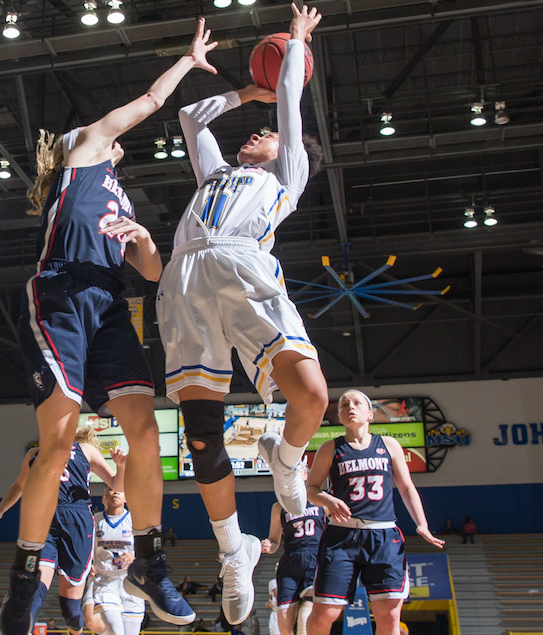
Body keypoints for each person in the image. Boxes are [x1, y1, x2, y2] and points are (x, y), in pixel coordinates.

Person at [5, 19, 218, 635]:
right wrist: (188, 59)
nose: (119, 136)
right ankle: (24, 581)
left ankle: (149, 561)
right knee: (59, 440)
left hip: (111, 304)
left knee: (146, 429)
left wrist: (147, 239)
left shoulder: (121, 200)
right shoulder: (86, 153)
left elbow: (151, 272)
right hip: (62, 292)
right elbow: (152, 102)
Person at [155, 4, 327, 626]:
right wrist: (241, 90)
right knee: (201, 432)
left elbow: (290, 101)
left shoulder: (287, 173)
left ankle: (286, 459)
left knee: (311, 395)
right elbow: (190, 114)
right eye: (253, 129)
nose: (254, 132)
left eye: (265, 130)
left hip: (245, 267)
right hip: (185, 277)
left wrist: (298, 46)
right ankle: (235, 550)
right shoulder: (216, 173)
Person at [305, 390, 445, 635]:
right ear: (338, 416)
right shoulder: (330, 449)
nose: (350, 406)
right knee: (324, 614)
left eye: (357, 403)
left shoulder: (388, 445)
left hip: (382, 535)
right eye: (344, 404)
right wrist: (327, 499)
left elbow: (406, 486)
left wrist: (421, 524)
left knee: (389, 614)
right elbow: (311, 489)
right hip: (341, 536)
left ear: (370, 414)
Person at [0, 429, 153, 635]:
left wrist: (121, 466)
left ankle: (75, 629)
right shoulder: (34, 454)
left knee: (71, 609)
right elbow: (19, 484)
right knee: (36, 583)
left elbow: (115, 483)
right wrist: (0, 509)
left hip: (77, 521)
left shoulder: (86, 450)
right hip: (46, 518)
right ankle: (21, 620)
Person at [260, 488, 325, 635]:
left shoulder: (321, 500)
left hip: (314, 560)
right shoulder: (279, 507)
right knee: (283, 623)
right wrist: (269, 545)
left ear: (306, 474)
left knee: (304, 617)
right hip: (290, 561)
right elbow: (274, 541)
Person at [88, 485, 145, 635]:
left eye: (120, 490)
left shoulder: (135, 520)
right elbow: (85, 546)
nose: (116, 492)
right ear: (105, 496)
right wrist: (88, 565)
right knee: (116, 631)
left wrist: (135, 556)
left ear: (127, 498)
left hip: (131, 579)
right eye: (111, 489)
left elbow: (148, 549)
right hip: (105, 579)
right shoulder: (94, 520)